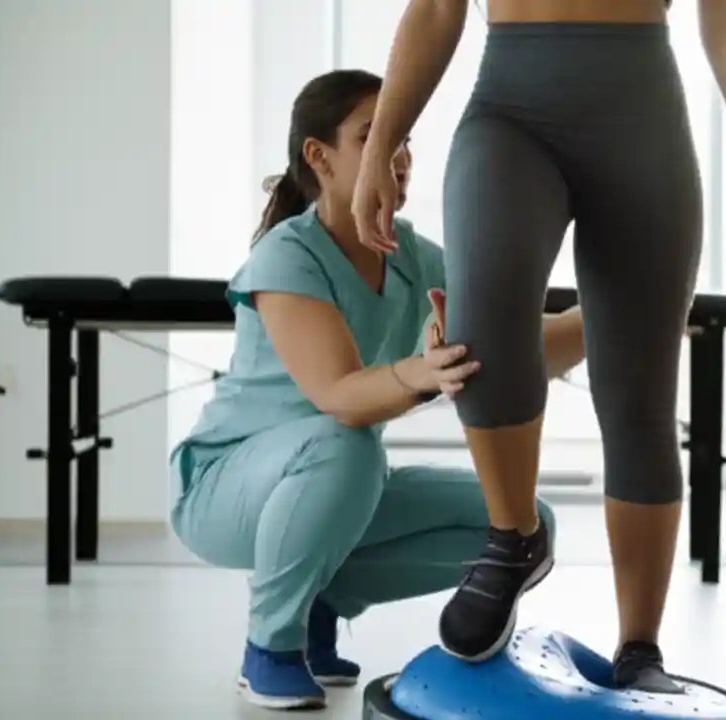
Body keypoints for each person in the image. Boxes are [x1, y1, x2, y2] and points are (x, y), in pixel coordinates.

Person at [352, 0, 726, 693]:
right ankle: (513, 539)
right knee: (479, 332)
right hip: (510, 114)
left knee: (640, 394)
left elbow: (725, 14)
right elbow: (438, 8)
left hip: (643, 123)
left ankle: (639, 648)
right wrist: (381, 145)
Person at [167, 68, 587, 711]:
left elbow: (515, 338)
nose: (399, 155)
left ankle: (319, 603)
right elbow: (338, 394)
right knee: (348, 442)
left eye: (405, 138)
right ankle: (269, 647)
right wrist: (420, 374)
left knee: (522, 526)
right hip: (227, 488)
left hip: (335, 478)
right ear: (320, 156)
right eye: (374, 135)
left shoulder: (414, 256)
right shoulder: (289, 255)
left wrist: (611, 315)